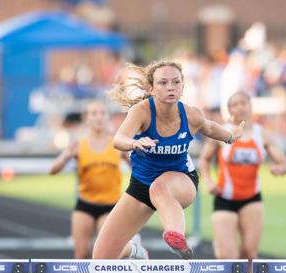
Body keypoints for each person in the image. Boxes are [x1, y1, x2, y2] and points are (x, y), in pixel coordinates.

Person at [92, 60, 242, 260]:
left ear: (182, 87)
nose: (170, 87)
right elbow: (119, 139)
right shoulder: (141, 112)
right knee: (101, 259)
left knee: (160, 188)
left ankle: (176, 237)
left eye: (175, 82)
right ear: (151, 88)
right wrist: (134, 143)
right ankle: (135, 250)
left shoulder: (191, 115)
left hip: (181, 181)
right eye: (163, 83)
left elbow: (210, 128)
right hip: (142, 186)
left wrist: (231, 136)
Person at [198, 91, 286, 273]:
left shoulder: (262, 134)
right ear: (230, 110)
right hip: (225, 198)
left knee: (249, 252)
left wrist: (280, 168)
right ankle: (222, 246)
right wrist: (208, 182)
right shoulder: (222, 133)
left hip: (251, 198)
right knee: (229, 257)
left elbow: (282, 161)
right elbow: (204, 160)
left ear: (250, 105)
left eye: (244, 103)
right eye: (235, 104)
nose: (240, 107)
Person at [49, 100, 141, 273]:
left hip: (110, 205)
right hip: (85, 204)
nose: (98, 117)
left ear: (107, 117)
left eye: (102, 113)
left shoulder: (117, 144)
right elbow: (52, 170)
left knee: (106, 251)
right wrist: (65, 157)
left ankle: (131, 248)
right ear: (86, 118)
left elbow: (138, 170)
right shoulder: (78, 145)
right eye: (93, 113)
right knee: (81, 254)